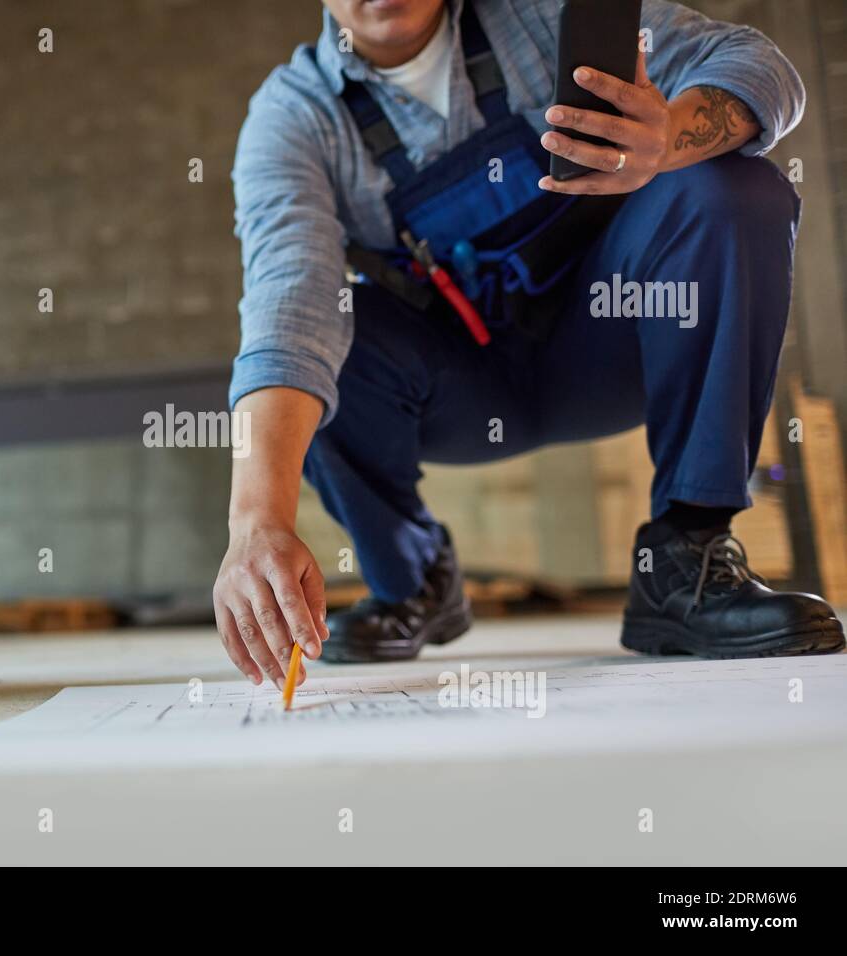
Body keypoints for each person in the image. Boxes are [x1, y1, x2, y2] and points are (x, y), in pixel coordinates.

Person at [212, 0, 845, 689]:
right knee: (327, 340)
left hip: (611, 347)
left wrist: (671, 135)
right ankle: (413, 578)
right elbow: (287, 301)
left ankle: (684, 559)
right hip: (461, 389)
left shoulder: (544, 15)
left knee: (731, 189)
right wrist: (255, 520)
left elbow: (763, 68)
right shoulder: (294, 118)